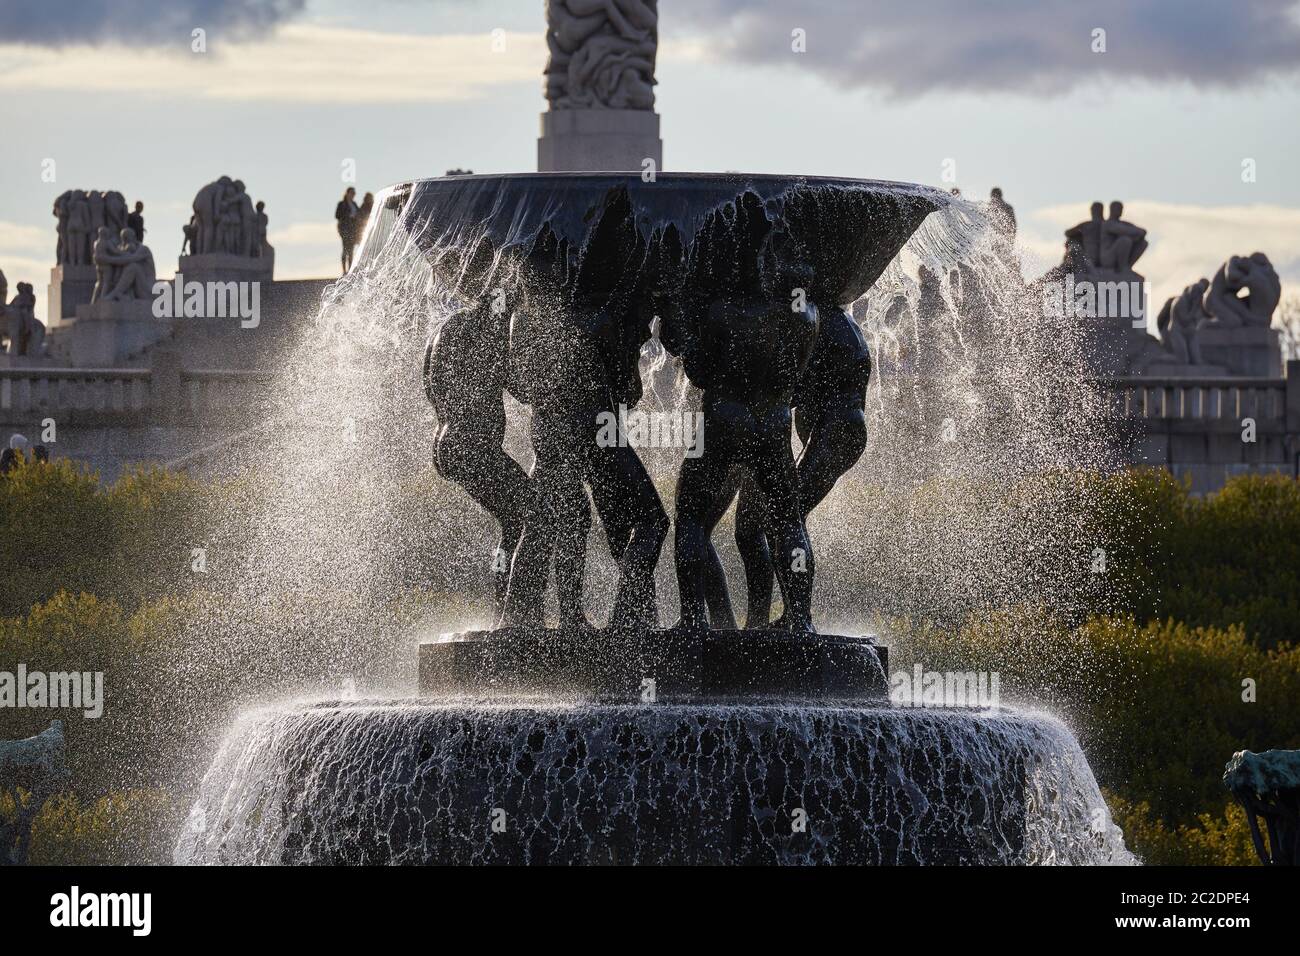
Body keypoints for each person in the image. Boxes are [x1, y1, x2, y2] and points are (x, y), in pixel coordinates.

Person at [334, 187, 359, 274]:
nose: (353, 195)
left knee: (351, 250)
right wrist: (348, 215)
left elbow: (359, 214)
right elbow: (337, 215)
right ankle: (344, 270)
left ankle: (350, 270)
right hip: (344, 229)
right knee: (345, 249)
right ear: (347, 193)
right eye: (352, 193)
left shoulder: (354, 204)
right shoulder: (341, 204)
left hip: (353, 230)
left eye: (354, 193)